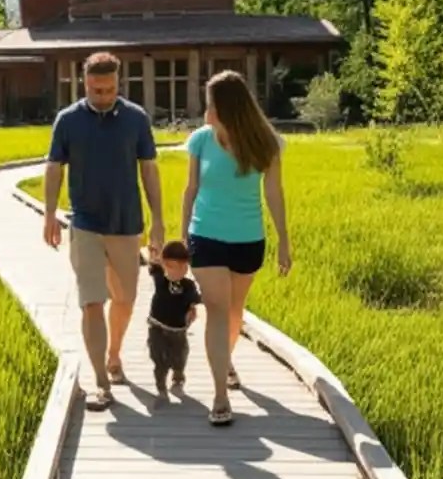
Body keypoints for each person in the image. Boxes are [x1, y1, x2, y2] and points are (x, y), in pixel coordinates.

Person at [43, 51, 165, 411]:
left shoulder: (135, 119)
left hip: (127, 224)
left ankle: (114, 354)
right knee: (92, 301)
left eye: (110, 89)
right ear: (85, 84)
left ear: (119, 83)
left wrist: (158, 219)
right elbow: (53, 167)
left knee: (125, 299)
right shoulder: (67, 120)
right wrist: (49, 213)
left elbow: (149, 170)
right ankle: (101, 384)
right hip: (85, 224)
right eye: (97, 90)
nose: (103, 95)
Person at [181, 70, 291, 426]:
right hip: (206, 236)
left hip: (248, 239)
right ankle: (219, 395)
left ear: (226, 107)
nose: (204, 109)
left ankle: (225, 360)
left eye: (210, 103)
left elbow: (274, 193)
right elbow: (190, 189)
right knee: (215, 308)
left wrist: (284, 241)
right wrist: (183, 235)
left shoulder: (265, 142)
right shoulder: (200, 140)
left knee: (233, 311)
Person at [145, 240, 201, 397]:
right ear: (166, 266)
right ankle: (160, 382)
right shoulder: (161, 280)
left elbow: (195, 299)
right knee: (158, 356)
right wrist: (155, 255)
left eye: (185, 267)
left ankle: (178, 372)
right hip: (157, 326)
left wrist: (192, 308)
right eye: (175, 267)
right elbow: (154, 267)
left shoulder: (188, 285)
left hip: (178, 330)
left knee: (180, 355)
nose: (181, 270)